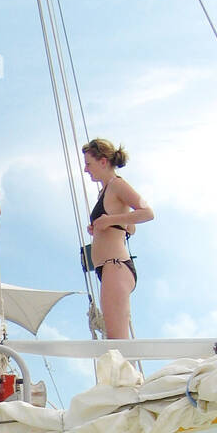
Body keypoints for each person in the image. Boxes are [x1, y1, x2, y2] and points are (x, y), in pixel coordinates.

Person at [82, 138, 154, 340]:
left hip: (115, 265)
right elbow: (130, 228)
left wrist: (110, 220)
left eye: (89, 164)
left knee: (117, 341)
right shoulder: (105, 191)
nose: (86, 169)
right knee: (114, 339)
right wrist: (101, 227)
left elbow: (148, 213)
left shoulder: (117, 185)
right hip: (108, 268)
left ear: (103, 162)